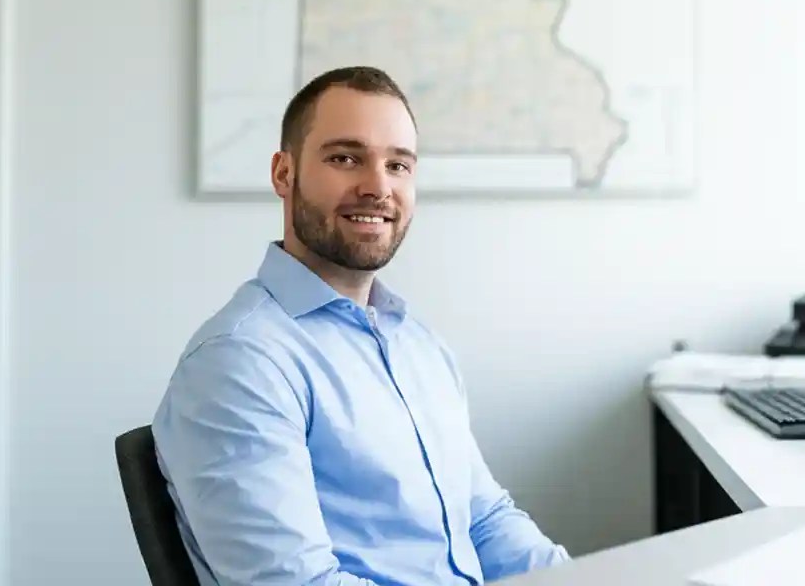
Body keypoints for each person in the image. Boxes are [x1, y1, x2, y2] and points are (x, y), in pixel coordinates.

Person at [152, 66, 570, 586]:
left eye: (398, 165)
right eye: (346, 158)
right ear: (284, 174)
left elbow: (483, 520)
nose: (378, 187)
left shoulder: (416, 343)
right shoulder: (239, 362)